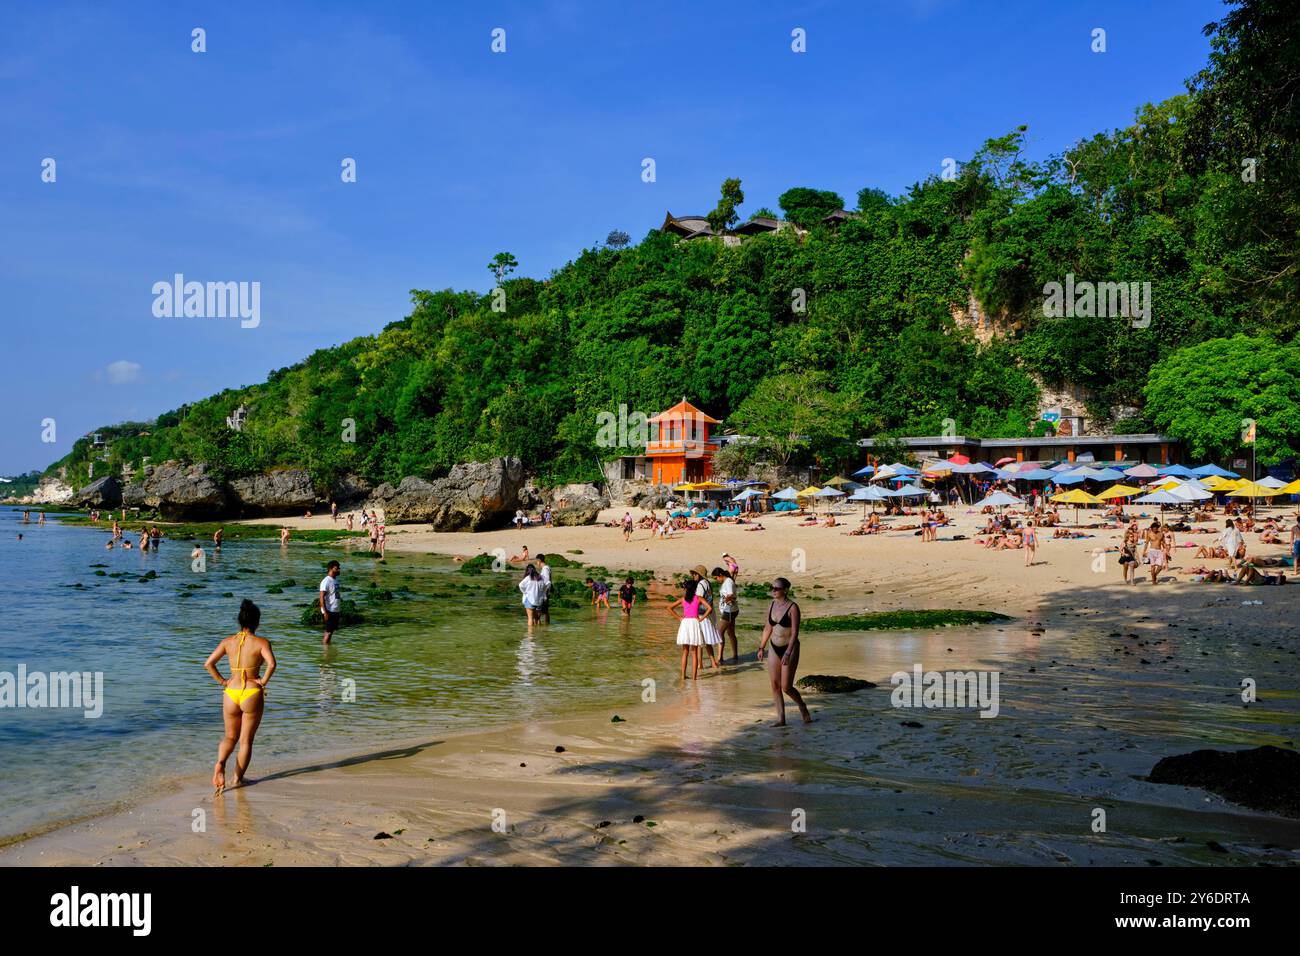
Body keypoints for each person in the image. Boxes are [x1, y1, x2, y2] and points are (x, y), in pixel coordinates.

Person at [204, 599, 276, 795]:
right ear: (257, 622)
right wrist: (263, 682)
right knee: (245, 741)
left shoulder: (228, 642)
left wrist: (223, 682)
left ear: (239, 620)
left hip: (231, 692)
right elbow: (271, 664)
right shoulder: (262, 642)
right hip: (251, 692)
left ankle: (220, 763)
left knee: (230, 736)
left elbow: (208, 664)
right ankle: (237, 779)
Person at [758, 578, 811, 727]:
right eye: (772, 587)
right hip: (774, 647)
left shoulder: (793, 607)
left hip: (790, 648)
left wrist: (788, 652)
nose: (773, 590)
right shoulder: (771, 605)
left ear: (785, 590)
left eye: (777, 588)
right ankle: (781, 719)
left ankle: (801, 705)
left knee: (786, 687)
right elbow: (768, 628)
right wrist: (761, 647)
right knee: (775, 685)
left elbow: (795, 632)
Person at [668, 579, 712, 681]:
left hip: (685, 623)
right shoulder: (698, 598)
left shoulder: (683, 599)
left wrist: (679, 617)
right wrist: (701, 618)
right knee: (694, 652)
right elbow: (709, 608)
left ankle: (683, 676)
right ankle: (694, 678)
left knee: (685, 652)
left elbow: (669, 608)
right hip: (694, 623)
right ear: (695, 588)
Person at [692, 565, 723, 668]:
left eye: (695, 574)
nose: (693, 576)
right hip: (710, 613)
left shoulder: (700, 584)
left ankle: (700, 664)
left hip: (702, 614)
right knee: (706, 641)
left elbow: (699, 599)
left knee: (700, 640)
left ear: (699, 575)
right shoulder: (708, 583)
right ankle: (713, 662)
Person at [713, 566, 739, 664]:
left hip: (729, 611)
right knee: (731, 633)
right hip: (731, 610)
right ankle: (735, 656)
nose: (716, 580)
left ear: (720, 575)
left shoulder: (728, 582)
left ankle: (720, 658)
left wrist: (726, 600)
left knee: (719, 632)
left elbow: (731, 594)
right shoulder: (727, 581)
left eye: (716, 578)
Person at [319, 560, 342, 644]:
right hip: (329, 611)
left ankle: (327, 650)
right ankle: (326, 653)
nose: (339, 570)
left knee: (330, 632)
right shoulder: (326, 581)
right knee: (328, 633)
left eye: (339, 568)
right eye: (337, 568)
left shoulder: (335, 580)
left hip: (335, 610)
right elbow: (321, 598)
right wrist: (325, 612)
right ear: (331, 568)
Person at [536, 554, 552, 624]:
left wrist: (544, 593)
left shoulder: (545, 569)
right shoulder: (547, 567)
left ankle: (537, 626)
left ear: (539, 561)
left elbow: (547, 582)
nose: (536, 563)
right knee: (545, 611)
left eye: (536, 561)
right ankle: (546, 628)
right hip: (546, 592)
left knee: (539, 612)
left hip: (544, 593)